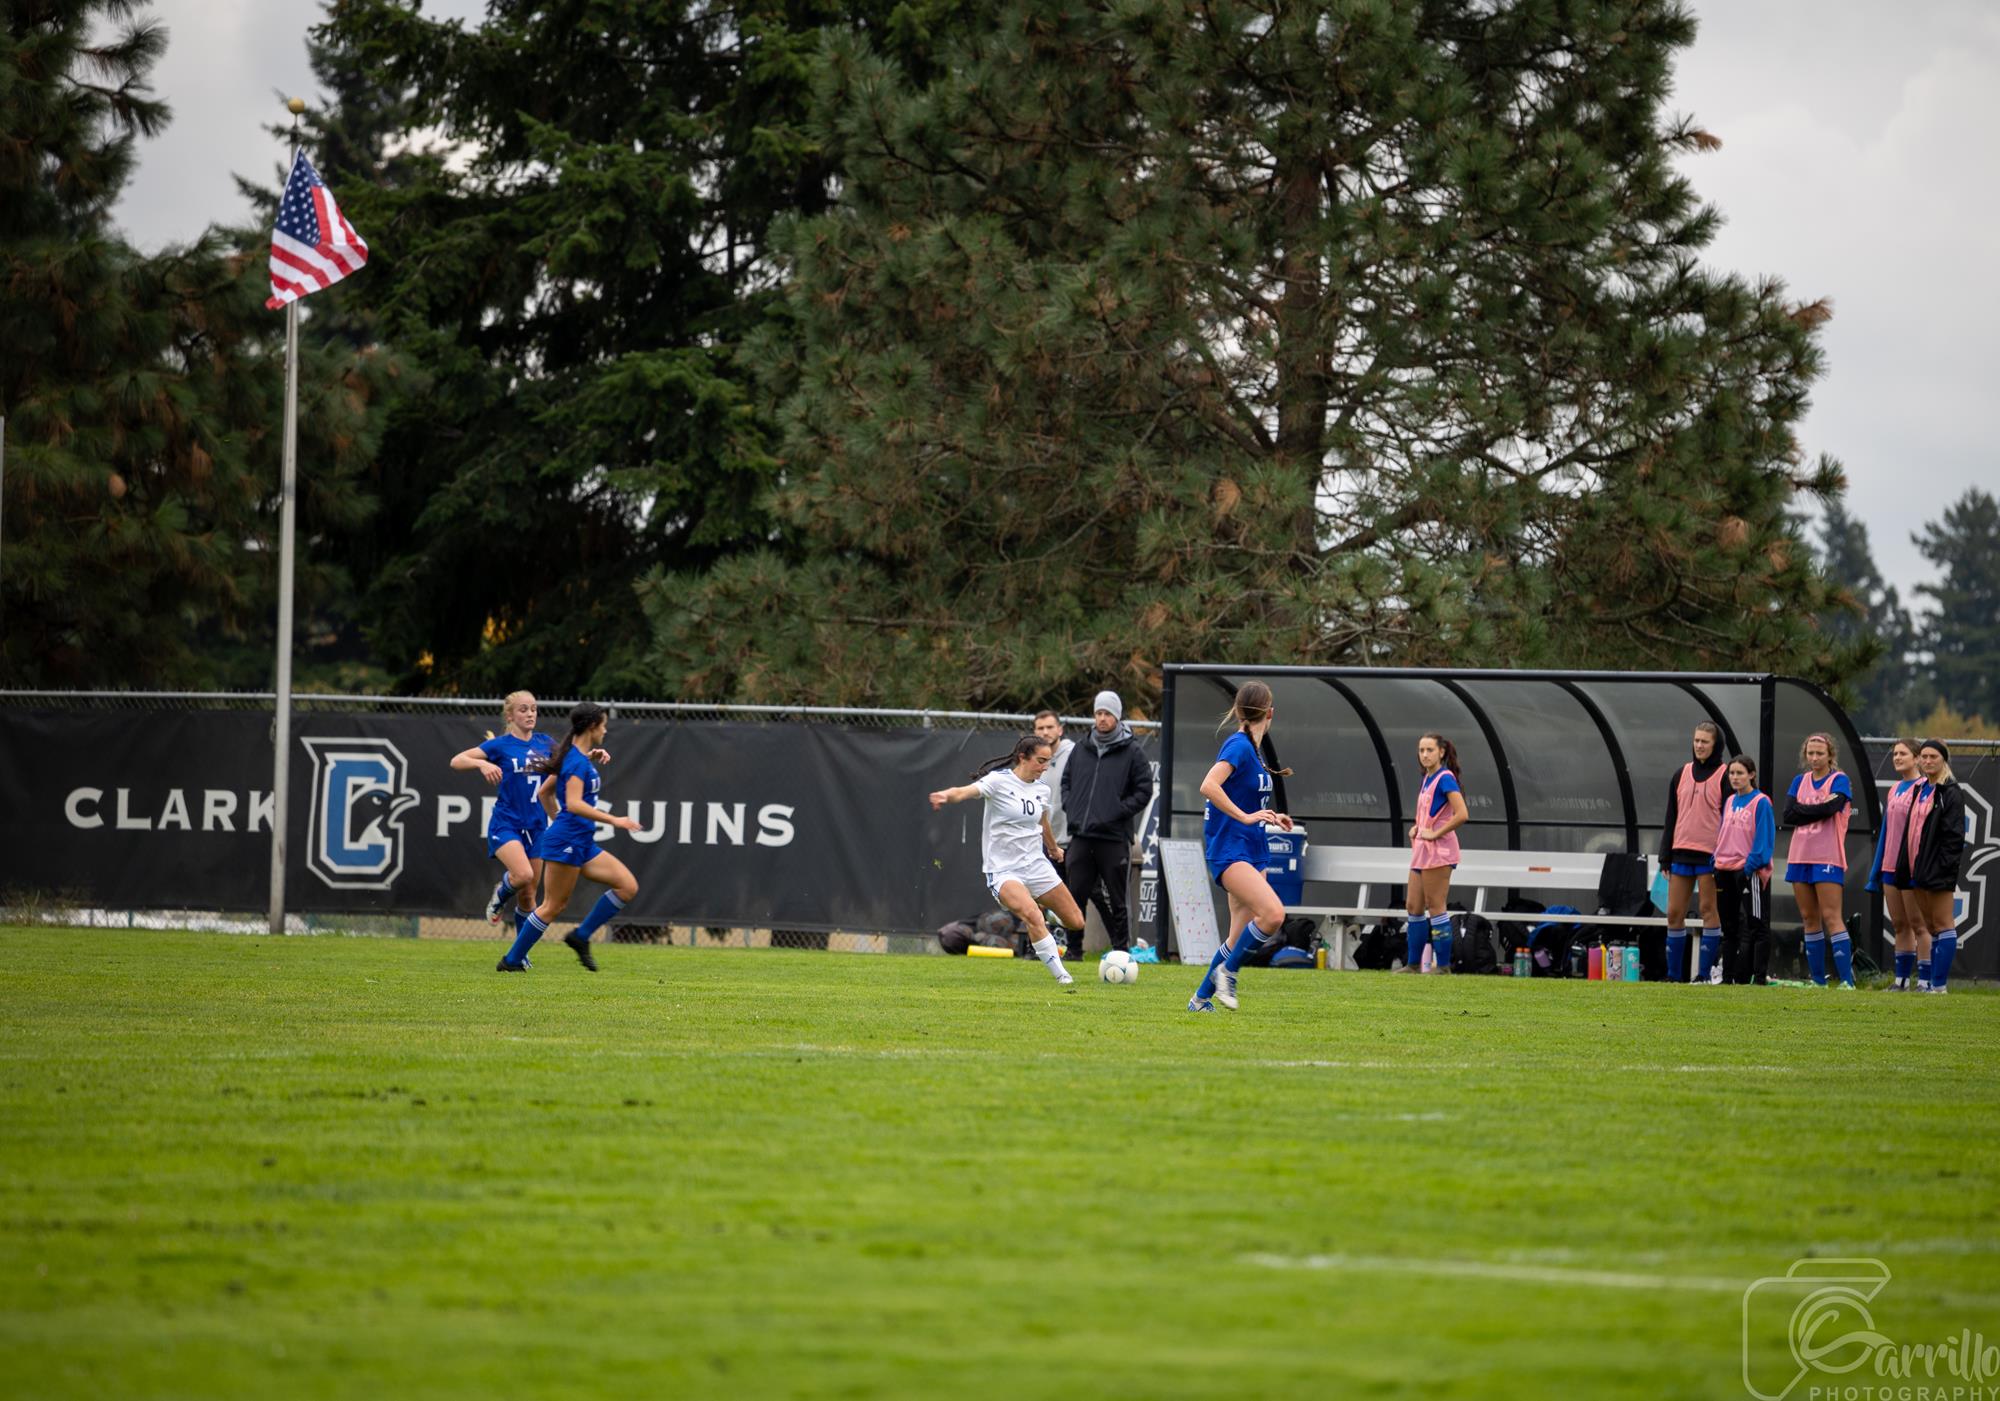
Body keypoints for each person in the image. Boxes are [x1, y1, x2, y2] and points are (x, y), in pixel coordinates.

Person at [928, 735, 1083, 985]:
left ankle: (1050, 914)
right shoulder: (998, 781)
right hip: (1004, 870)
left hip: (1037, 866)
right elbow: (964, 791)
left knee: (1075, 922)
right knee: (1033, 915)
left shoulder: (1042, 789)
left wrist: (1053, 849)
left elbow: (1042, 822)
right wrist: (945, 796)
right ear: (1023, 758)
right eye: (1041, 761)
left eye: (1048, 762)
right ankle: (1062, 976)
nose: (1045, 767)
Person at [497, 703, 640, 973]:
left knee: (627, 886)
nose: (605, 730)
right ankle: (511, 961)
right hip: (567, 841)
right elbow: (573, 804)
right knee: (553, 906)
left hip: (580, 841)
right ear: (592, 727)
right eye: (603, 725)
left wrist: (559, 821)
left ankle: (580, 936)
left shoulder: (576, 758)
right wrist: (614, 820)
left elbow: (545, 793)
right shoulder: (575, 761)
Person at [1188, 681, 1292, 1012]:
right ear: (1270, 713)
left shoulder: (1252, 749)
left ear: (1238, 710)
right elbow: (1209, 785)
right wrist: (1246, 817)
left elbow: (1243, 795)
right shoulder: (1238, 745)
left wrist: (1269, 815)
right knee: (1273, 915)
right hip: (1230, 849)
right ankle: (1228, 972)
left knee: (1236, 937)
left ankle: (1199, 1000)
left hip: (1252, 848)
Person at [449, 691, 555, 944]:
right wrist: (482, 764)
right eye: (523, 709)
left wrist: (591, 755)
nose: (530, 714)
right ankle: (500, 893)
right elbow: (457, 761)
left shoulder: (545, 743)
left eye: (533, 709)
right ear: (510, 716)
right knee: (523, 875)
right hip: (507, 823)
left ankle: (520, 953)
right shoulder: (500, 745)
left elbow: (570, 759)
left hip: (537, 826)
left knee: (528, 896)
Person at [1058, 690, 1154, 960]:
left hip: (1113, 838)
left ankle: (1121, 952)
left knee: (1116, 899)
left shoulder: (1132, 751)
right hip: (1081, 835)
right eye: (1098, 713)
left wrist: (1116, 812)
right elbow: (1066, 782)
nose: (1102, 718)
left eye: (1107, 714)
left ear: (1117, 717)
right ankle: (1074, 950)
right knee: (1075, 895)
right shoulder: (1081, 748)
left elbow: (1144, 790)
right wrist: (1071, 806)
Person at [1782, 732, 1855, 989]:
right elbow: (1788, 814)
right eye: (1810, 753)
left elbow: (1830, 808)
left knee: (1831, 916)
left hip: (1827, 856)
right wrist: (1816, 810)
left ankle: (1846, 981)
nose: (1814, 758)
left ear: (1830, 755)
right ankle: (1817, 980)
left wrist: (1804, 811)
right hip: (1800, 856)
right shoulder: (1799, 781)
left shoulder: (1839, 780)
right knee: (1808, 917)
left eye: (1819, 753)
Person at [1659, 722, 1728, 983]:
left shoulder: (1725, 775)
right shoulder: (1681, 774)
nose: (1699, 745)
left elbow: (1729, 820)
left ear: (1715, 745)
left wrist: (1725, 857)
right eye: (1696, 740)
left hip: (1710, 857)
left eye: (1705, 741)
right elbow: (1671, 816)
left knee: (1708, 910)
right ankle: (1673, 976)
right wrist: (1665, 855)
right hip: (1680, 853)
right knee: (1674, 913)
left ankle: (1703, 975)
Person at [1906, 740, 1968, 994]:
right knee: (1930, 926)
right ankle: (1931, 983)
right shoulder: (1920, 789)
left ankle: (1940, 986)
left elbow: (1954, 837)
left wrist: (1943, 868)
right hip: (1916, 868)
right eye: (1924, 756)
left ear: (1944, 760)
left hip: (1938, 870)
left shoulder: (1950, 792)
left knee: (1943, 924)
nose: (1928, 761)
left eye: (1934, 756)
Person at [1404, 733, 1468, 973]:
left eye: (1429, 750)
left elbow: (1462, 814)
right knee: (1413, 906)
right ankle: (1413, 964)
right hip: (1421, 850)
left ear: (1441, 752)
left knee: (1435, 906)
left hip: (1439, 852)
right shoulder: (1427, 777)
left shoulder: (1445, 778)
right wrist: (1417, 828)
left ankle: (1442, 966)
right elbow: (1429, 813)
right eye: (1421, 750)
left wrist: (1435, 833)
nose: (1424, 755)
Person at [1865, 740, 1925, 991]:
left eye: (1903, 753)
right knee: (1900, 924)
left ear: (1917, 758)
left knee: (1918, 924)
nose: (1897, 758)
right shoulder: (1894, 789)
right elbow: (1886, 832)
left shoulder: (1925, 787)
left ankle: (1925, 981)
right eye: (1895, 754)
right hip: (1890, 866)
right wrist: (1876, 870)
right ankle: (1901, 981)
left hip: (1910, 867)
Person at [1712, 755, 1775, 985]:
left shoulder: (1761, 802)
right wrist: (1715, 859)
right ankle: (1727, 977)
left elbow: (1764, 838)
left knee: (1757, 924)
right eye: (1732, 773)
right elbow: (1723, 833)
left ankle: (1759, 978)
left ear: (1751, 774)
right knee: (1729, 927)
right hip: (1723, 869)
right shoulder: (1730, 800)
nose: (1735, 778)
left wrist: (1750, 867)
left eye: (1740, 773)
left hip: (1748, 871)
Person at [1032, 709, 1081, 954]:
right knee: (1038, 897)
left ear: (1060, 729)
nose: (1045, 732)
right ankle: (1039, 947)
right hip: (1041, 840)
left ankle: (1076, 949)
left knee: (1076, 895)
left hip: (1071, 839)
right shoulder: (1030, 759)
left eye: (1050, 727)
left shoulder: (1073, 754)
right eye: (1040, 728)